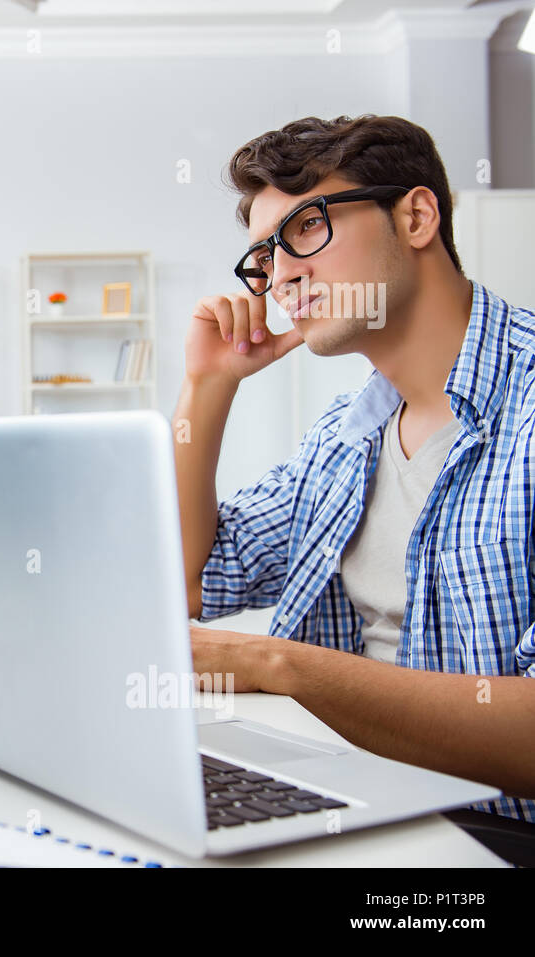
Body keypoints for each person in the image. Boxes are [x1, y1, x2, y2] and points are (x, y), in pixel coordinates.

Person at [173, 115, 535, 833]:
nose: (280, 277)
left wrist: (277, 663)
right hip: (358, 807)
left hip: (494, 840)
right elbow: (191, 578)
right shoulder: (346, 436)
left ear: (416, 216)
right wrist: (207, 388)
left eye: (305, 228)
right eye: (263, 259)